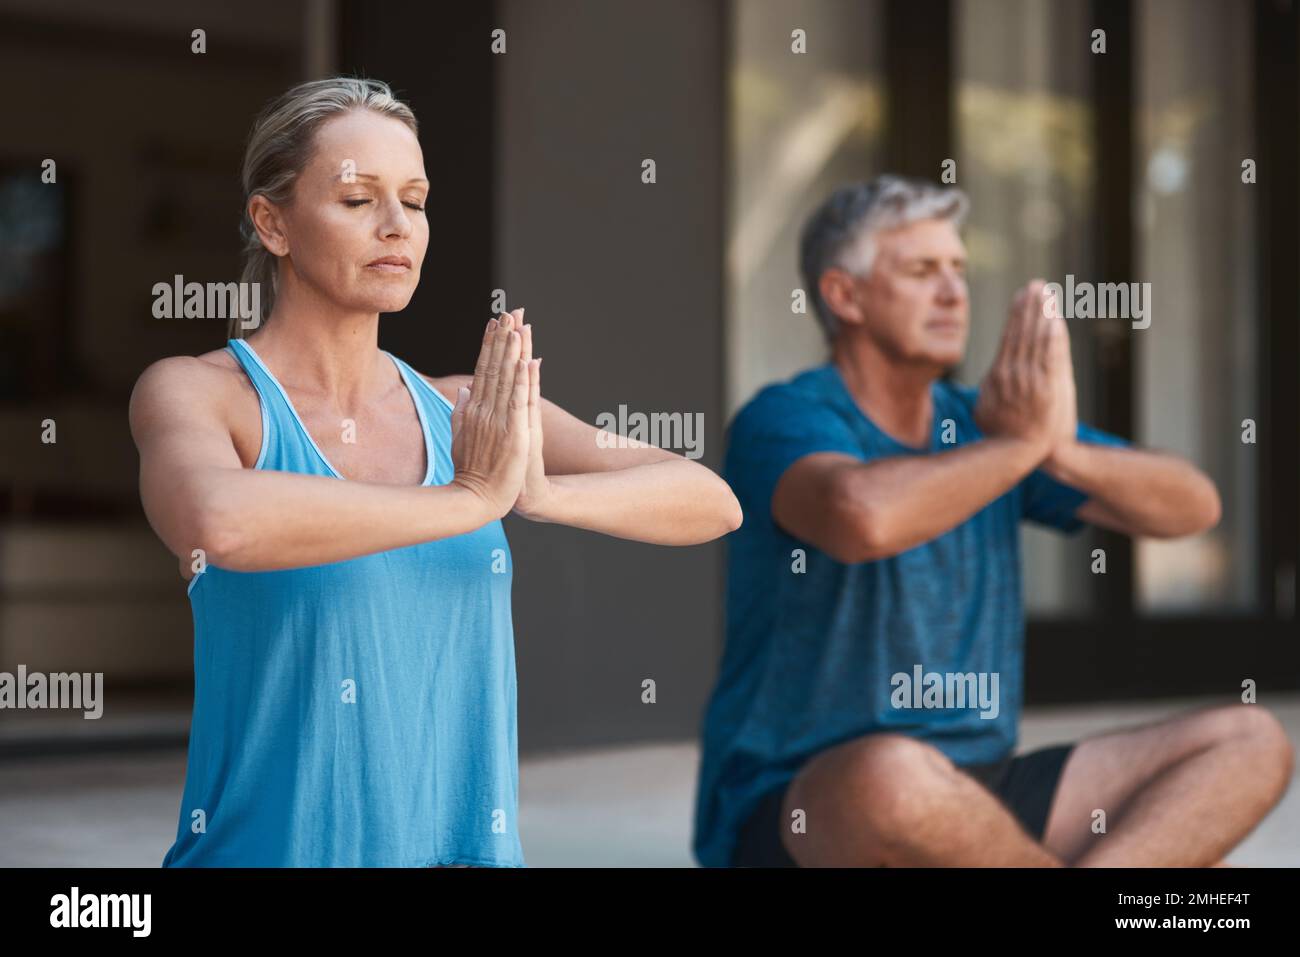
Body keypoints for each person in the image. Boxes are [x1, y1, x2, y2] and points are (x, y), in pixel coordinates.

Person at [129, 77, 741, 867]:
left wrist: (543, 493)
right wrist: (469, 499)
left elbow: (712, 500)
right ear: (272, 222)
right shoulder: (205, 394)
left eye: (414, 200)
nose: (396, 227)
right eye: (357, 201)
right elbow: (219, 521)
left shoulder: (464, 409)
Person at [692, 175, 1294, 868]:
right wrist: (1016, 447)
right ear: (843, 295)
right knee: (891, 777)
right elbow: (862, 517)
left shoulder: (990, 425)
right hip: (807, 803)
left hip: (983, 790)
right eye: (923, 271)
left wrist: (1060, 449)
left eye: (959, 270)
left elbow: (1193, 505)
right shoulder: (786, 418)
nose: (954, 293)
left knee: (1250, 740)